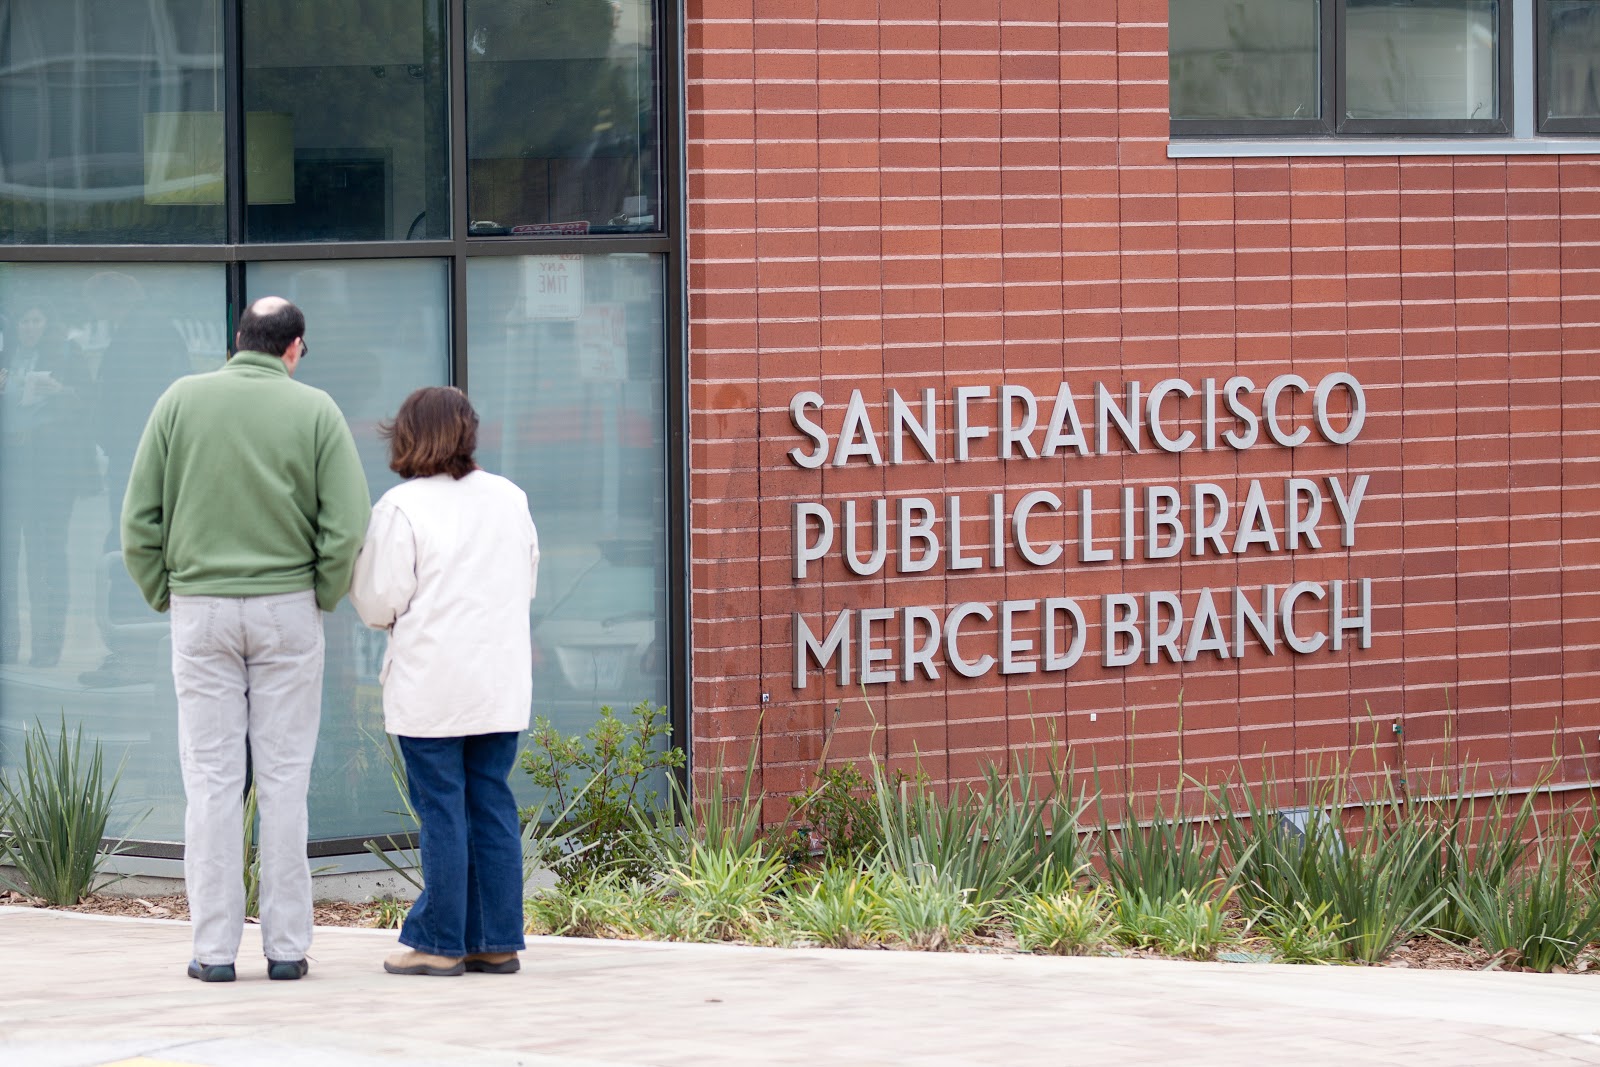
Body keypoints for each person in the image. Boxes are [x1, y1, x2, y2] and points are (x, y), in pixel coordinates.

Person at [120, 297, 371, 983]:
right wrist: (319, 592)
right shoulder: (315, 410)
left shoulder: (180, 401)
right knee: (285, 780)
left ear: (238, 341)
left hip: (200, 607)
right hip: (287, 607)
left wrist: (165, 589)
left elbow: (139, 518)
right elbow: (348, 521)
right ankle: (287, 948)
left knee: (211, 782)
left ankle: (214, 950)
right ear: (293, 349)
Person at [349, 386, 539, 977]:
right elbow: (526, 580)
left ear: (406, 436)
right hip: (499, 683)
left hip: (431, 685)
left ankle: (438, 942)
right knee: (491, 805)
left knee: (442, 811)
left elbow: (379, 601)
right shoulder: (510, 497)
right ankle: (496, 940)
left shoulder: (401, 508)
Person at [0, 300, 96, 667]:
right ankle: (7, 646)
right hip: (13, 463)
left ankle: (46, 649)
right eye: (23, 321)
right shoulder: (6, 354)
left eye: (35, 320)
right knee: (8, 557)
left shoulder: (67, 354)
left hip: (51, 469)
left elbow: (89, 401)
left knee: (47, 557)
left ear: (46, 322)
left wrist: (61, 391)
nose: (28, 327)